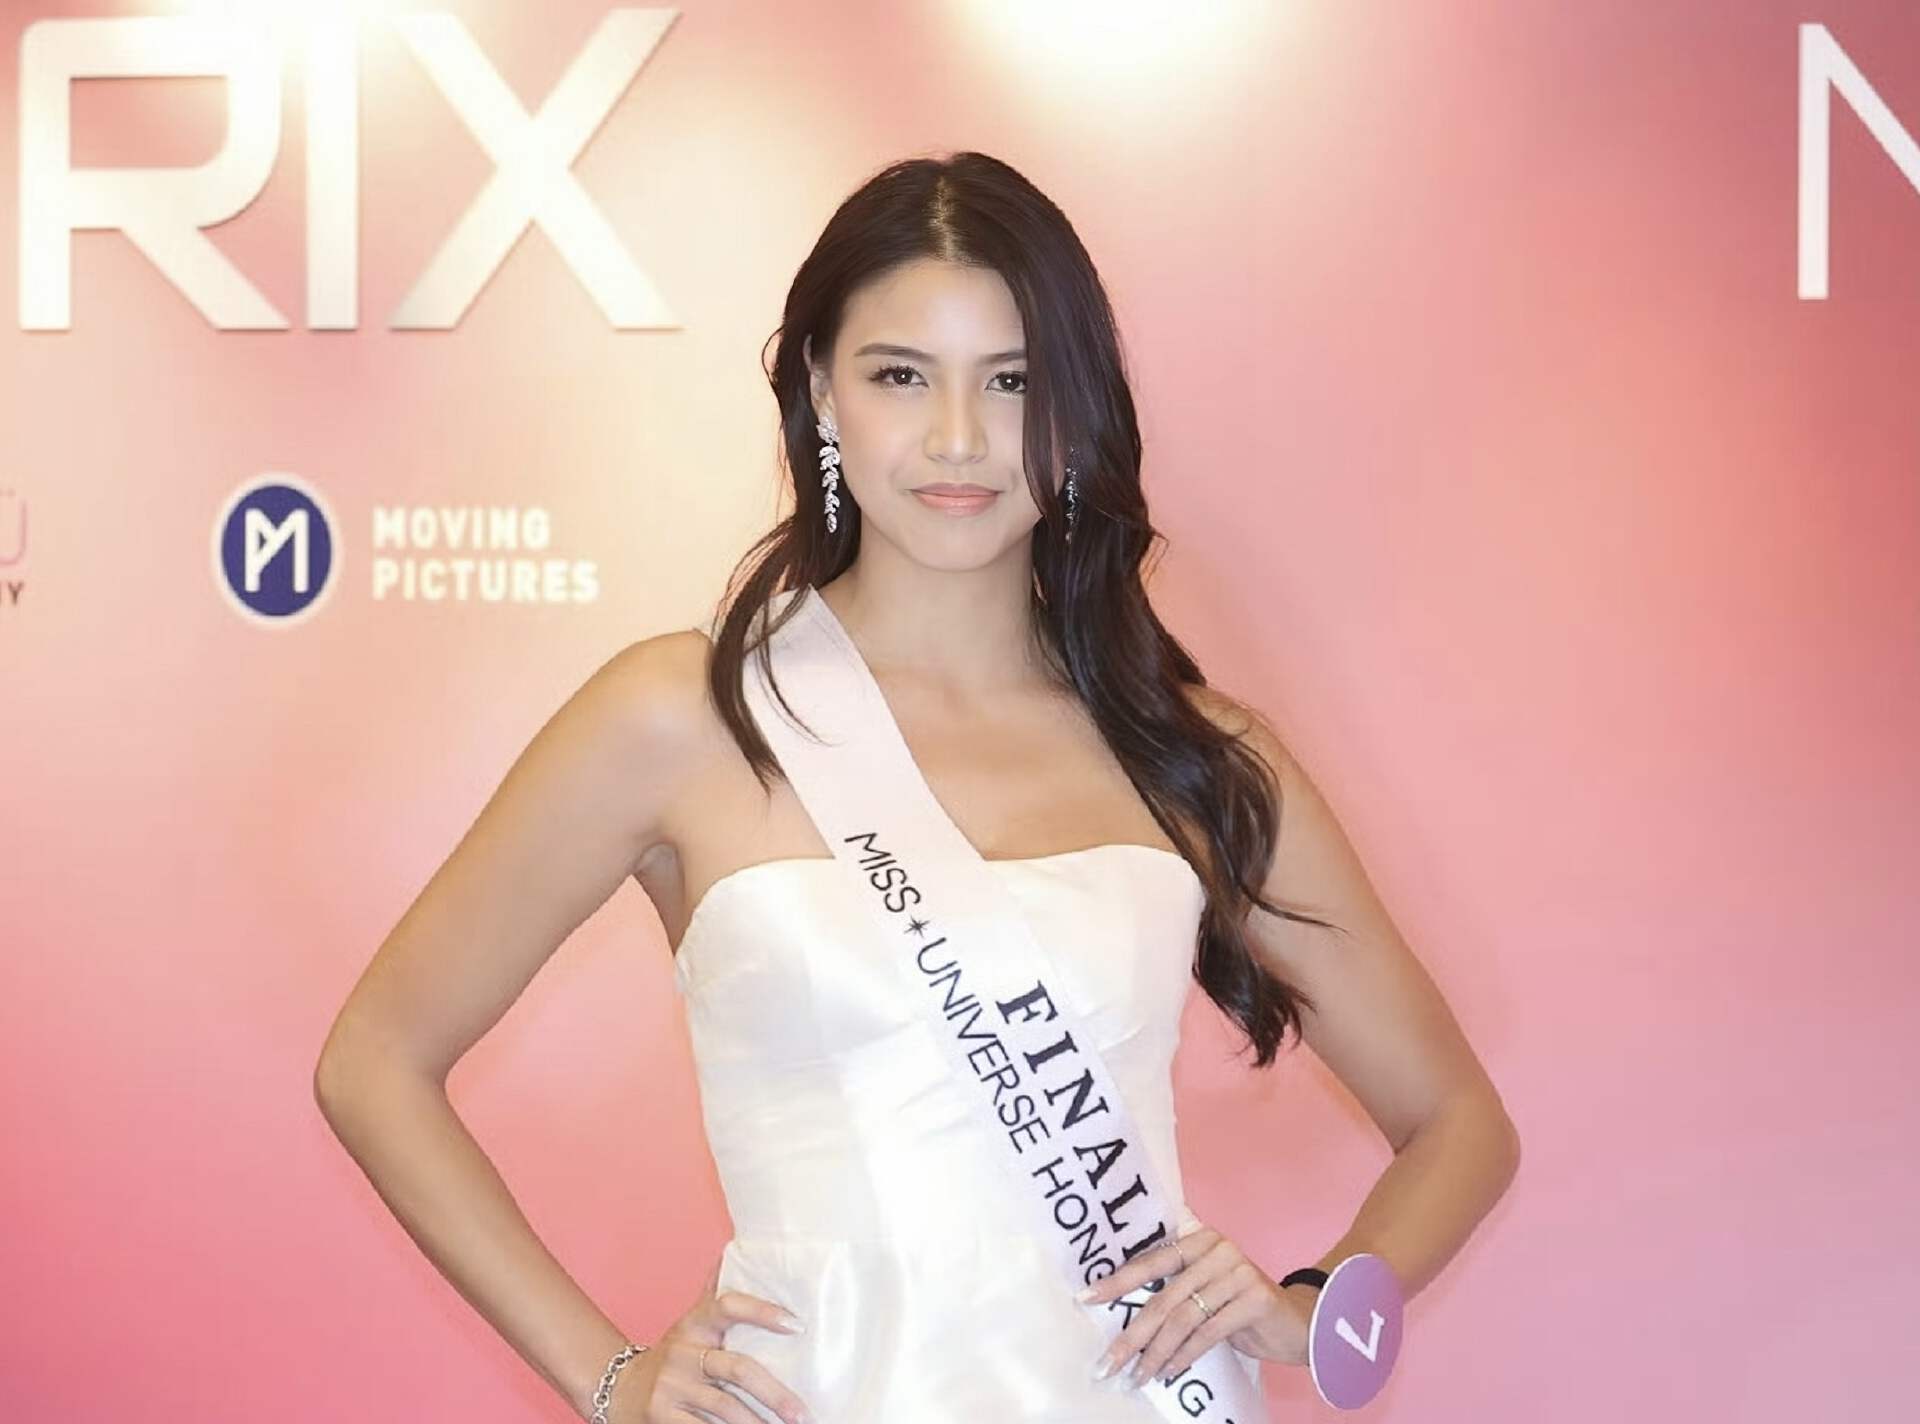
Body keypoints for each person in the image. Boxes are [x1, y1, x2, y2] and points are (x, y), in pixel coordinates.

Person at [314, 151, 1521, 1424]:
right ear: (821, 390)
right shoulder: (684, 716)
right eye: (901, 375)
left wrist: (1309, 1301)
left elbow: (1459, 1120)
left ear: (1077, 412)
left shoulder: (1191, 752)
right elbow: (374, 1057)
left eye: (1013, 381)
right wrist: (611, 1377)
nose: (959, 437)